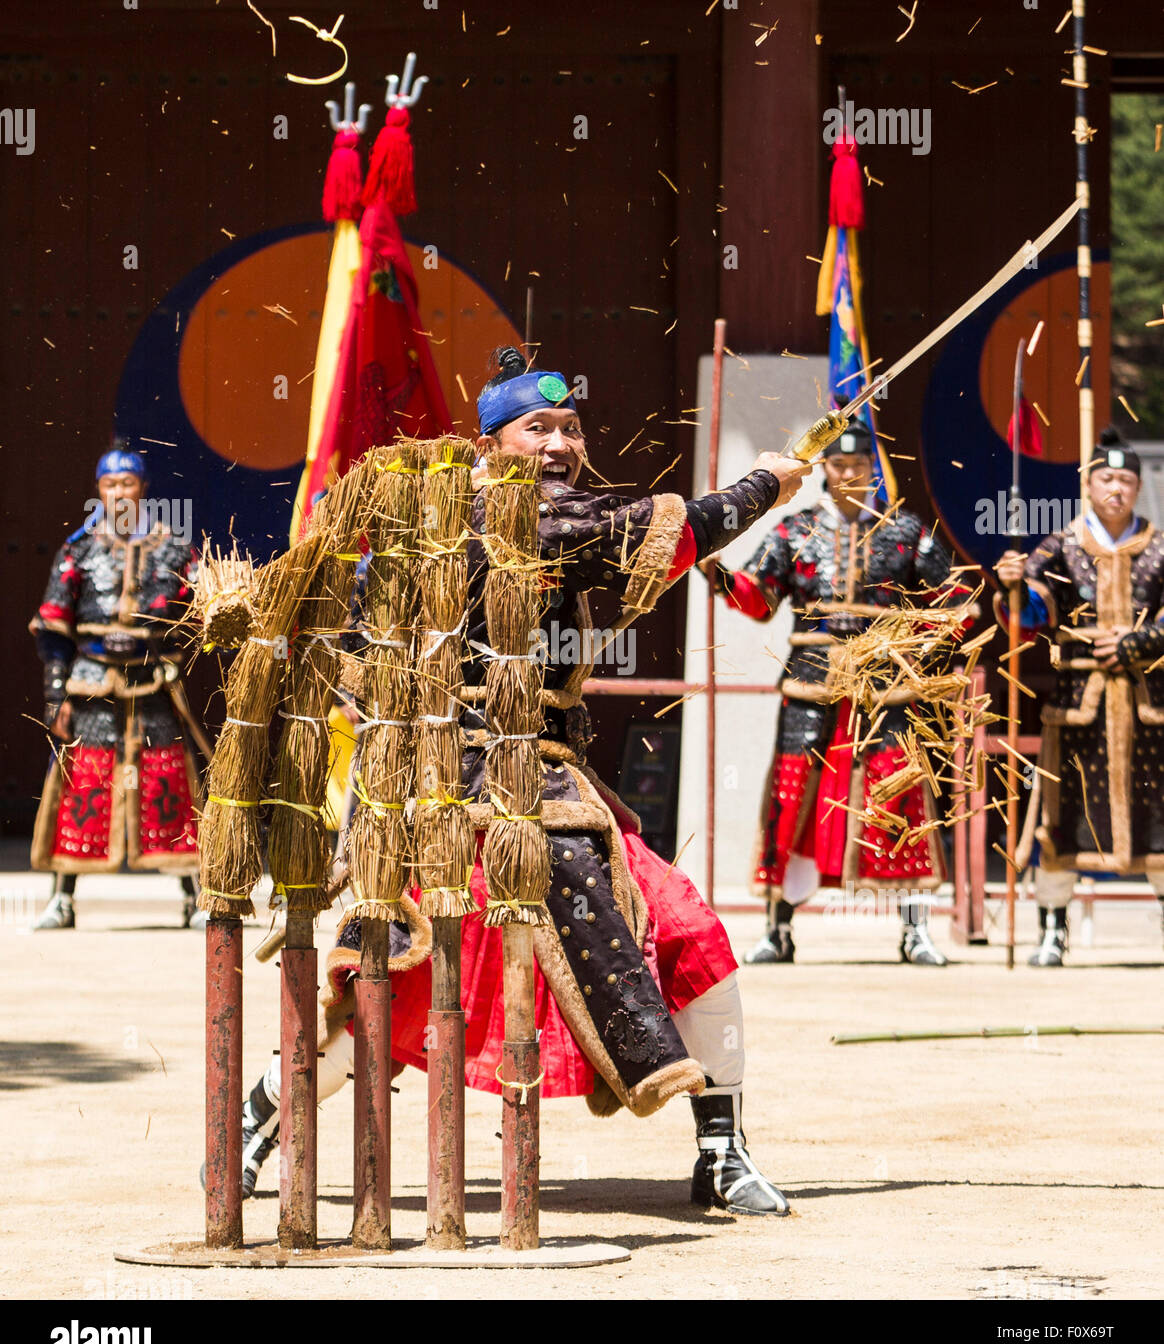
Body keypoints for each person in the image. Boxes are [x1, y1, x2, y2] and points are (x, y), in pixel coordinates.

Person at [228, 347, 813, 1216]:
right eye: (536, 428)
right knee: (376, 987)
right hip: (449, 795)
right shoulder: (504, 517)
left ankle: (722, 1153)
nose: (559, 444)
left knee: (690, 932)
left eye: (571, 428)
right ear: (489, 442)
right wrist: (766, 483)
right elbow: (673, 529)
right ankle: (256, 1128)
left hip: (547, 784)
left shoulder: (499, 516)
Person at [701, 416, 970, 967]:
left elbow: (954, 601)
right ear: (825, 469)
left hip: (886, 680)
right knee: (791, 793)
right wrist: (717, 572)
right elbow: (759, 598)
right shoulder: (793, 529)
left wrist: (912, 645)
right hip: (810, 676)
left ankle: (915, 929)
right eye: (840, 464)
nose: (850, 473)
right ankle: (778, 928)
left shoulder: (906, 529)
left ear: (873, 470)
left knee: (897, 791)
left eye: (859, 465)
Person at [994, 427, 1164, 966]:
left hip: (1146, 705)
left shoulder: (1159, 545)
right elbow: (1031, 617)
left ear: (1137, 488)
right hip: (1077, 704)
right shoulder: (1061, 545)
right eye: (1106, 478)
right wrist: (1013, 586)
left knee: (1157, 813)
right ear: (1088, 485)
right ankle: (1052, 929)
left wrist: (1144, 640)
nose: (1116, 488)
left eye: (1126, 480)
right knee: (1062, 814)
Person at [28, 444, 206, 931]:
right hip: (91, 687)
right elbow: (53, 626)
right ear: (99, 490)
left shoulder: (173, 548)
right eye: (110, 484)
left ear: (143, 489)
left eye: (128, 483)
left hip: (152, 683)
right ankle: (62, 898)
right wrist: (56, 696)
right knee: (82, 782)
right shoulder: (78, 550)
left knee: (168, 780)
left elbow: (202, 611)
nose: (119, 492)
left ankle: (193, 895)